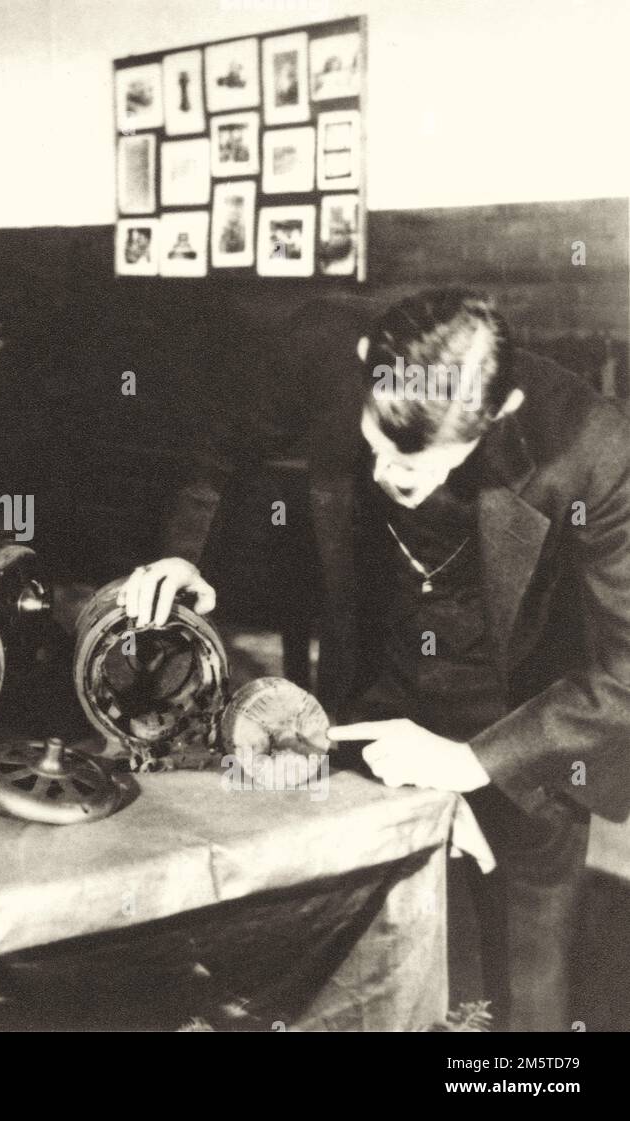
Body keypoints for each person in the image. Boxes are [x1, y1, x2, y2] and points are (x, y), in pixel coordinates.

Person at [119, 288, 630, 1031]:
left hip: (524, 716)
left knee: (524, 981)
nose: (388, 477)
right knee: (359, 941)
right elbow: (220, 443)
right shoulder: (325, 348)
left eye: (416, 463)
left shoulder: (594, 447)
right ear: (366, 365)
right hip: (375, 689)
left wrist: (473, 760)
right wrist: (182, 554)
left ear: (502, 410)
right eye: (378, 446)